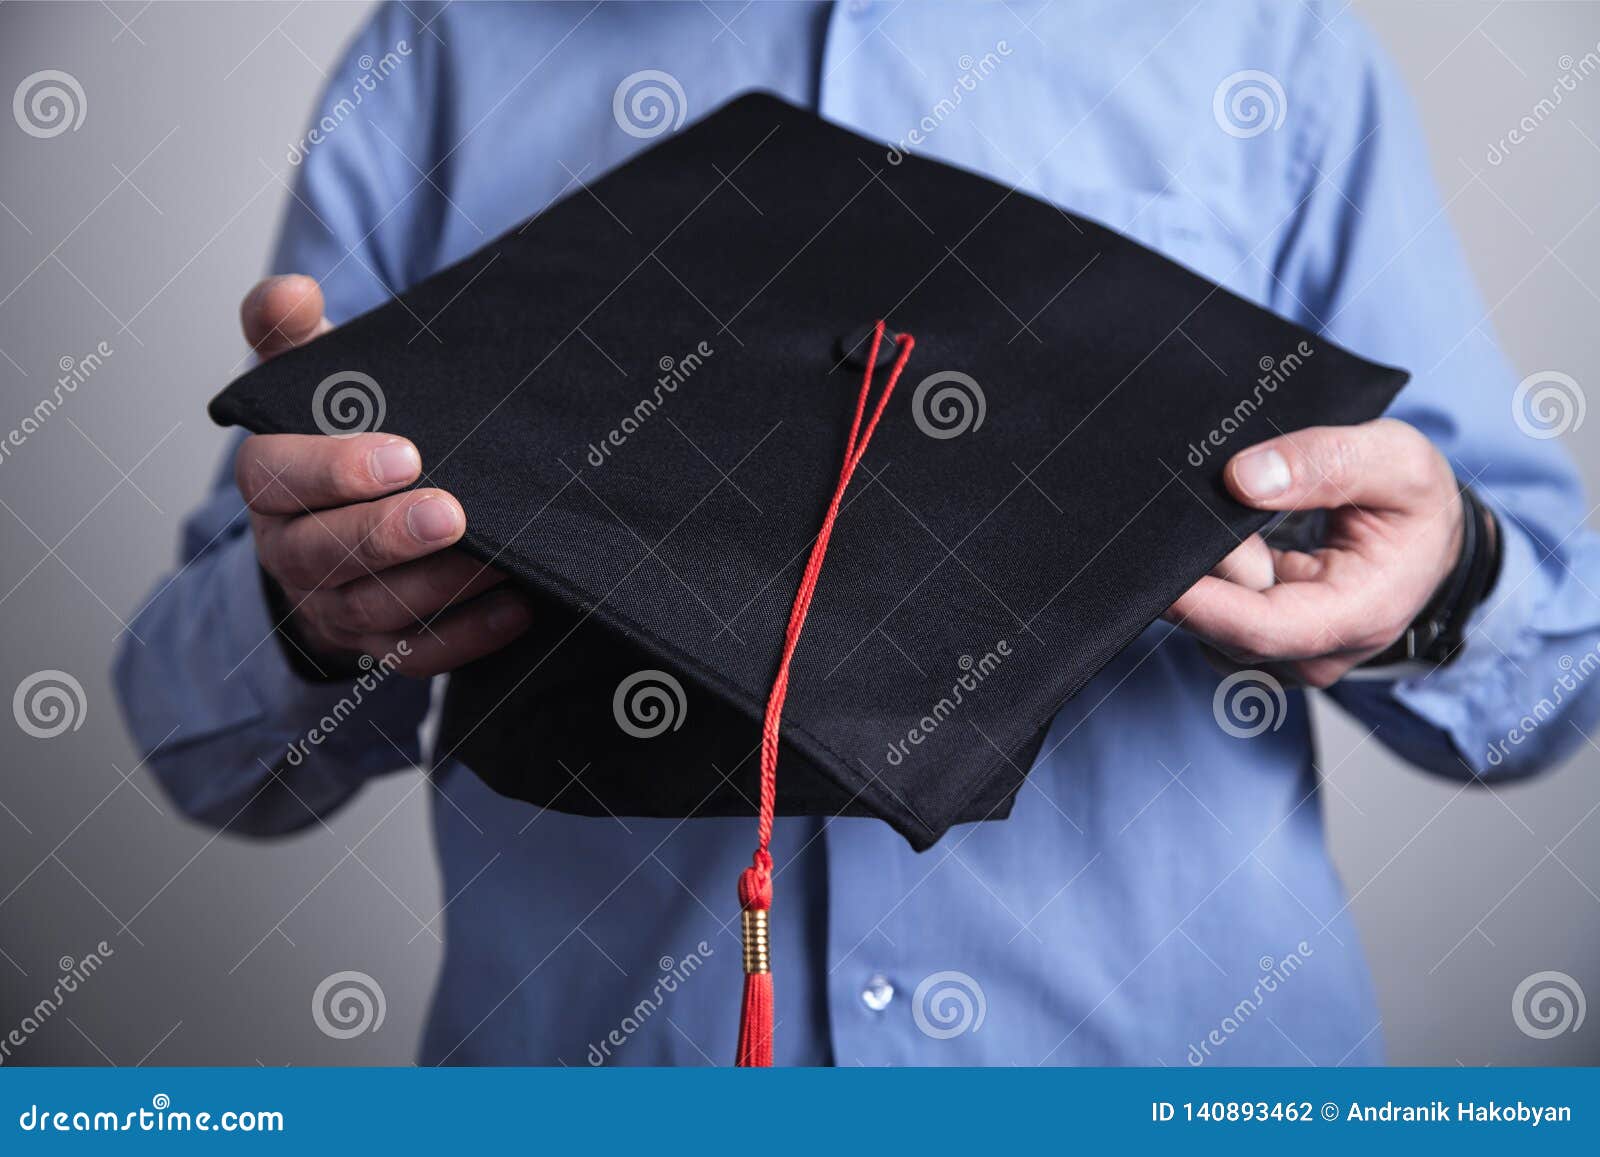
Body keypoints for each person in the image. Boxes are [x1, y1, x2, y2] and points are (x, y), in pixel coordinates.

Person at [115, 1, 1600, 1065]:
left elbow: (1553, 680)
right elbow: (204, 751)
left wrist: (1450, 579)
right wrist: (304, 615)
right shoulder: (446, 50)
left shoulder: (1263, 44)